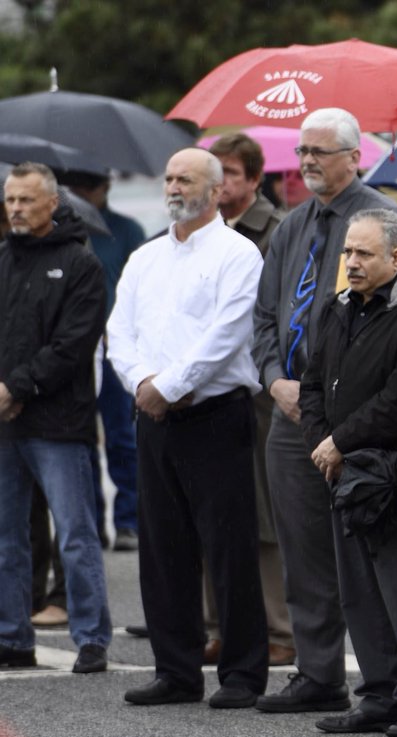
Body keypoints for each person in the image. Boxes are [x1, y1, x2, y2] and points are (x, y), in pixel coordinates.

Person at [253, 108, 397, 714]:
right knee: (303, 550)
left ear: (355, 157)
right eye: (303, 151)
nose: (308, 162)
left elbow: (394, 318)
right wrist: (273, 380)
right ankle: (317, 673)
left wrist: (337, 403)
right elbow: (266, 316)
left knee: (366, 551)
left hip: (353, 416)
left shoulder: (381, 218)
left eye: (321, 151)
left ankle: (386, 681)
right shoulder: (292, 227)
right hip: (291, 414)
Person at [108, 148, 268, 707]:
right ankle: (175, 671)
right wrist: (142, 384)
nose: (173, 186)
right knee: (162, 548)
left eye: (186, 178)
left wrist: (168, 386)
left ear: (217, 189)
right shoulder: (144, 258)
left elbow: (227, 334)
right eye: (169, 178)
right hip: (152, 416)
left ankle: (244, 674)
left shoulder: (237, 254)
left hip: (214, 416)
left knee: (229, 548)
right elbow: (118, 333)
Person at [299, 208, 397, 737]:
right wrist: (321, 441)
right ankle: (379, 694)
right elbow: (313, 383)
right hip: (347, 471)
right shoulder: (336, 308)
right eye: (347, 253)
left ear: (396, 256)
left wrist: (338, 441)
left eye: (363, 253)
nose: (352, 263)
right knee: (359, 592)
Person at [0, 162, 111, 673]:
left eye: (26, 200)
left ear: (52, 204)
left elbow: (73, 345)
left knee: (74, 533)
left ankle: (90, 638)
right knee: (7, 535)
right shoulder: (3, 257)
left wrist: (15, 387)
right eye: (11, 200)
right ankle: (12, 635)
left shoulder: (80, 263)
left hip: (59, 423)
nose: (17, 209)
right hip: (5, 420)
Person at [205, 132, 293, 668]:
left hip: (259, 390)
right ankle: (219, 624)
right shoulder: (199, 233)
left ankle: (280, 628)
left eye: (232, 174)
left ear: (256, 179)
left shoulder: (276, 232)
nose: (221, 183)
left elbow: (277, 314)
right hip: (210, 391)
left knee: (265, 513)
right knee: (213, 510)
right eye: (215, 173)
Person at [61, 170, 144, 553]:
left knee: (122, 437)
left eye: (89, 186)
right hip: (77, 346)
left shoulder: (125, 230)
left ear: (105, 186)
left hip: (116, 345)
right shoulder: (63, 229)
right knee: (80, 440)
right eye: (75, 185)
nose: (82, 192)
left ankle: (128, 520)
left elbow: (140, 290)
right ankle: (92, 521)